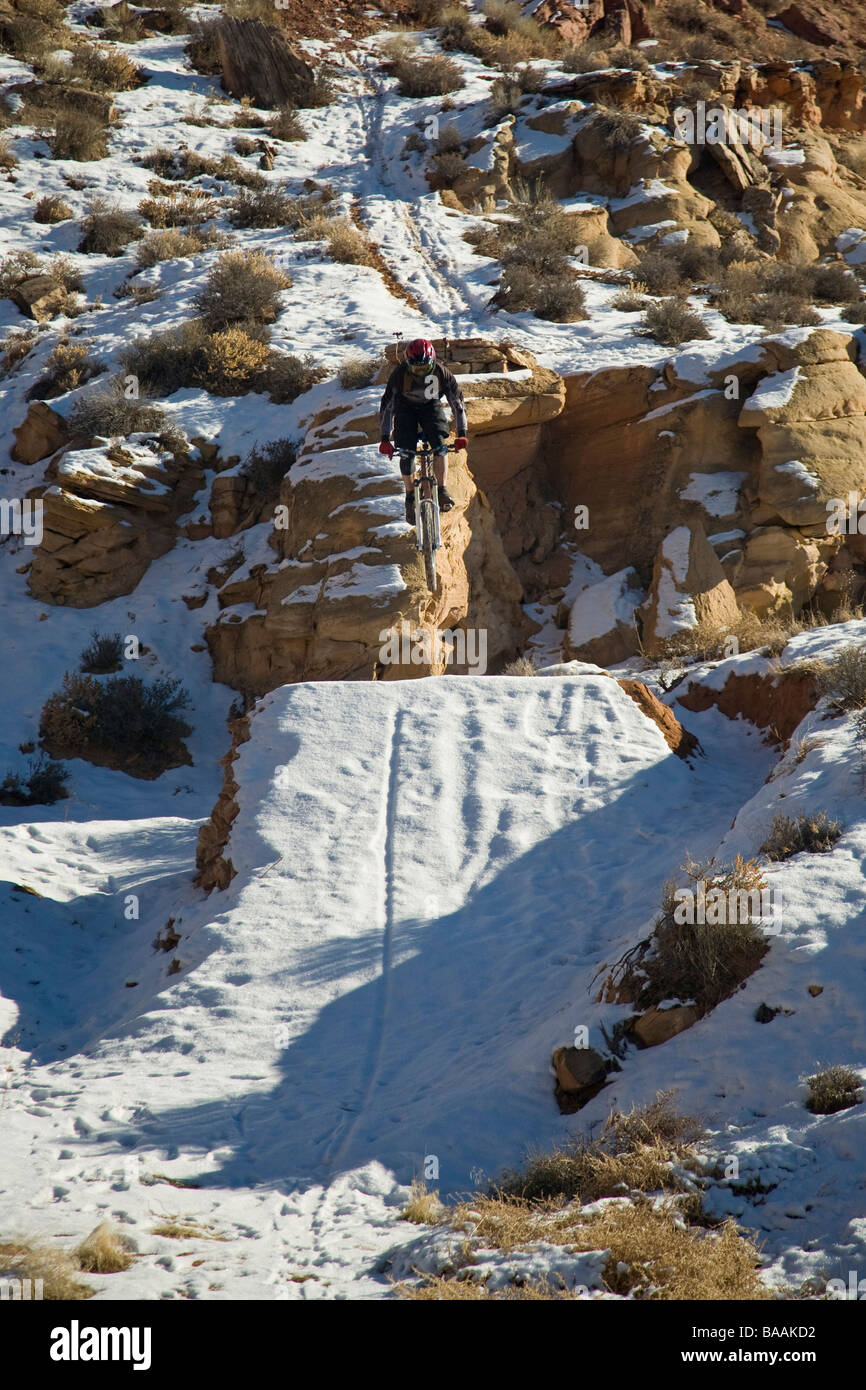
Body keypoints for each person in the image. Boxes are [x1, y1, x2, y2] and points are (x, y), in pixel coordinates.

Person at [378, 338, 468, 525]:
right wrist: (385, 438)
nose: (419, 372)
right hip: (405, 408)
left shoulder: (442, 373)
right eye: (415, 368)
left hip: (430, 406)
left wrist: (462, 434)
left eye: (423, 368)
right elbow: (387, 407)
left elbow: (457, 404)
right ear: (408, 363)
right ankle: (410, 496)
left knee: (440, 444)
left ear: (432, 361)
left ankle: (442, 490)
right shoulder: (399, 374)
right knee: (406, 452)